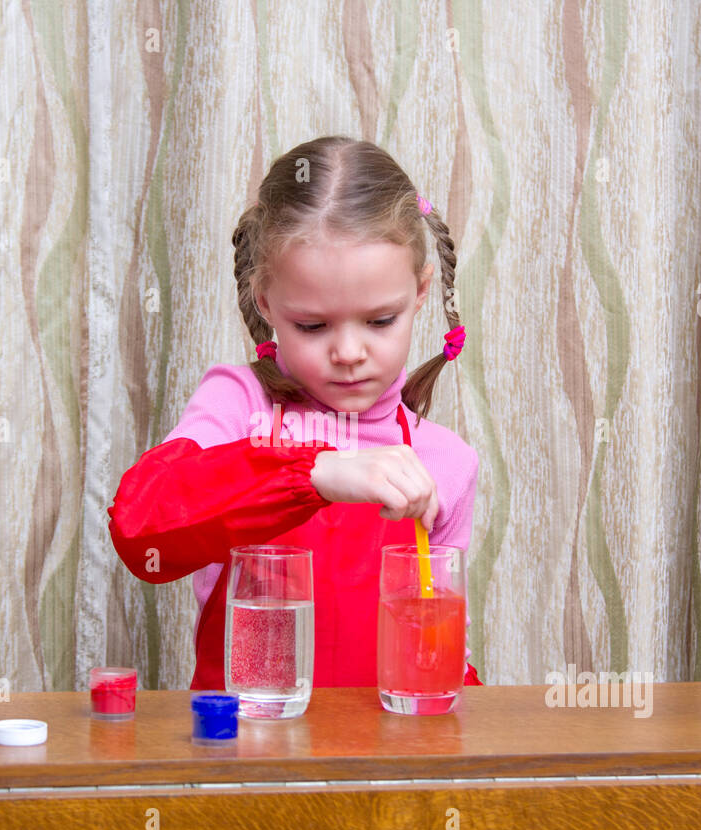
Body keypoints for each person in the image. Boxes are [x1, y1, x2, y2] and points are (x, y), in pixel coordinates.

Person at [108, 135, 481, 690]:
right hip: (247, 756)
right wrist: (314, 473)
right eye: (313, 325)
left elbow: (438, 654)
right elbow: (142, 532)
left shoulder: (445, 461)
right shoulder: (238, 407)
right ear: (265, 302)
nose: (349, 353)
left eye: (380, 321)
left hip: (386, 764)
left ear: (421, 292)